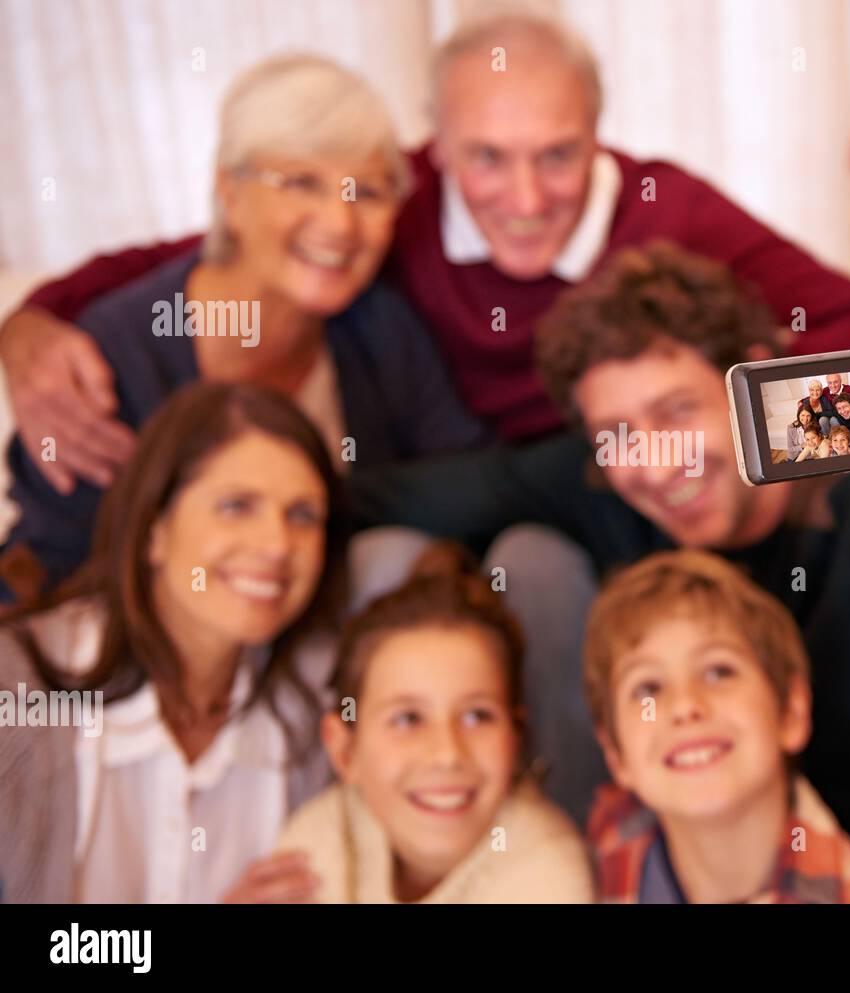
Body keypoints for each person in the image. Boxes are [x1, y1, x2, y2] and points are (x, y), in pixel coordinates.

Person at [349, 242, 850, 902]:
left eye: (677, 409)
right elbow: (415, 494)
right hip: (703, 855)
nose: (655, 460)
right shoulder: (604, 481)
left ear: (754, 378)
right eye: (618, 432)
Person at [0, 10, 850, 497]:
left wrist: (729, 438)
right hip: (477, 484)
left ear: (599, 137)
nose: (528, 198)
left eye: (559, 154)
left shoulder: (671, 210)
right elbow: (216, 247)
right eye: (487, 159)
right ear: (438, 145)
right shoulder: (400, 204)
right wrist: (30, 325)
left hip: (638, 483)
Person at [0, 53, 487, 602]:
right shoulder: (119, 350)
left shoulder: (380, 325)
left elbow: (469, 484)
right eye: (301, 183)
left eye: (368, 193)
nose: (340, 223)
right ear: (230, 194)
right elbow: (49, 570)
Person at [0, 383, 349, 904]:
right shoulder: (16, 698)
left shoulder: (320, 706)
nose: (277, 545)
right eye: (236, 505)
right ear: (152, 532)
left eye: (302, 515)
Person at [584, 550, 850, 904]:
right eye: (648, 688)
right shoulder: (606, 839)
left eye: (718, 672)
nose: (685, 706)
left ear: (791, 711)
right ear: (616, 756)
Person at [276, 544, 593, 903]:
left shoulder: (547, 867)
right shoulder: (322, 835)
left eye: (477, 716)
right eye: (408, 719)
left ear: (516, 735)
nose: (446, 754)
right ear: (345, 750)